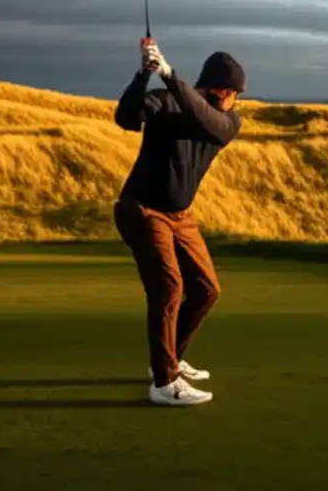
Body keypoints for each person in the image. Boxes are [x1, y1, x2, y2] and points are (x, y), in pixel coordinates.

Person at [113, 41, 245, 406]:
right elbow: (126, 118)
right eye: (233, 91)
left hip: (181, 217)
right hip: (142, 209)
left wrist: (170, 74)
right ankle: (164, 382)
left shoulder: (228, 121)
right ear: (221, 90)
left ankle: (169, 360)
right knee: (169, 288)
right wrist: (144, 75)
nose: (235, 99)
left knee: (206, 289)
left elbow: (208, 122)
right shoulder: (165, 101)